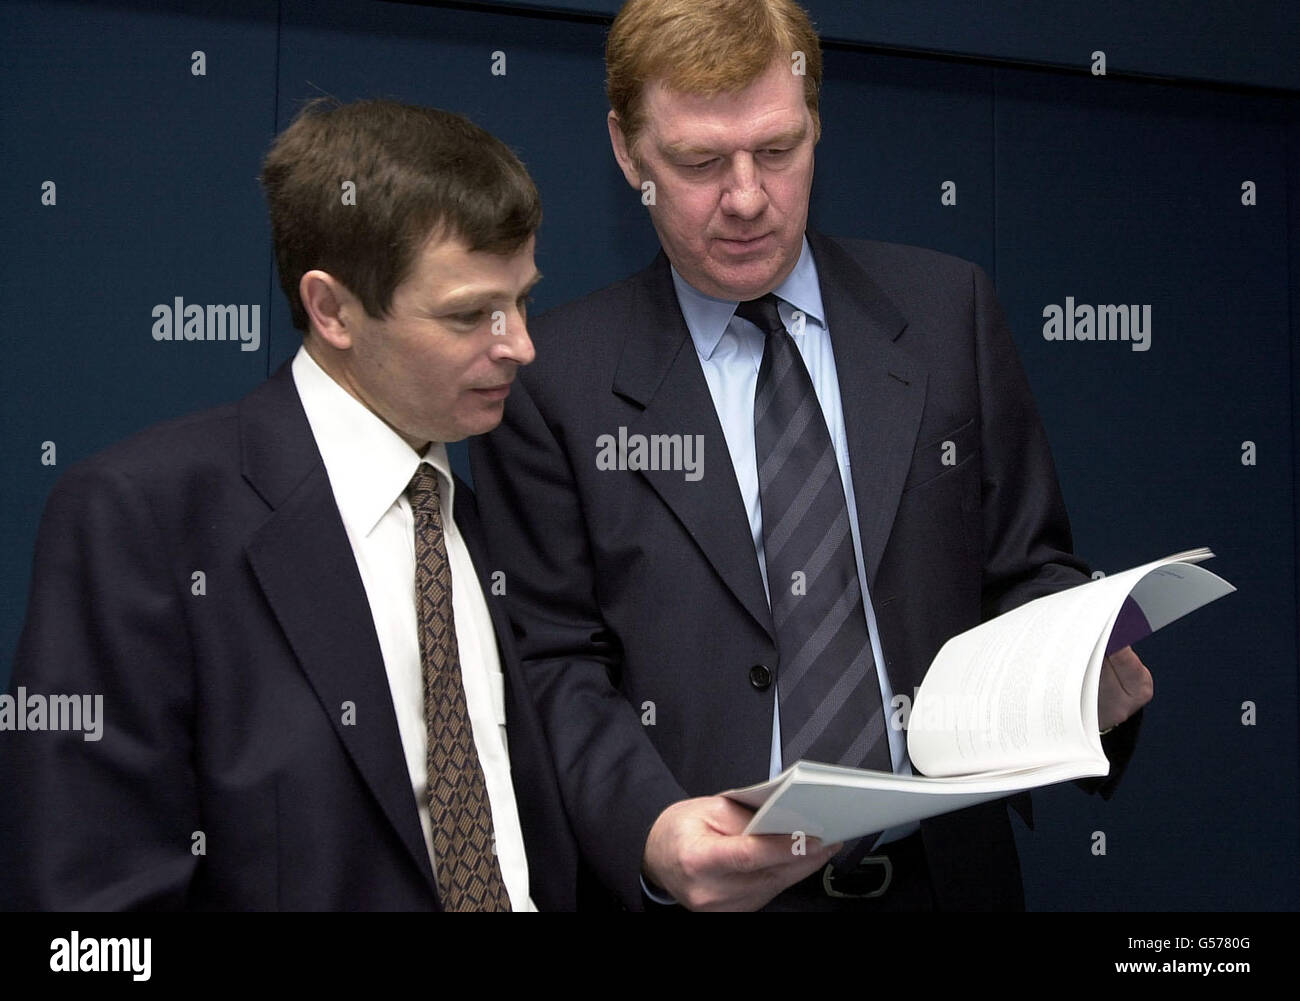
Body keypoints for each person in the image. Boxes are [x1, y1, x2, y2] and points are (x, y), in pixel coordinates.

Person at [469, 0, 1151, 912]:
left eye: (778, 150)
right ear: (630, 153)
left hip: (945, 883)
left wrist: (1079, 669)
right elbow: (550, 662)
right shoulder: (553, 382)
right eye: (701, 162)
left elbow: (1023, 568)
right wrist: (652, 830)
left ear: (816, 120)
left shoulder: (948, 312)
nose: (746, 196)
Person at [0, 98, 577, 911]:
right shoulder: (142, 518)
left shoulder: (478, 519)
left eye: (521, 300)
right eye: (467, 314)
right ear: (332, 309)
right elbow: (86, 922)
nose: (519, 342)